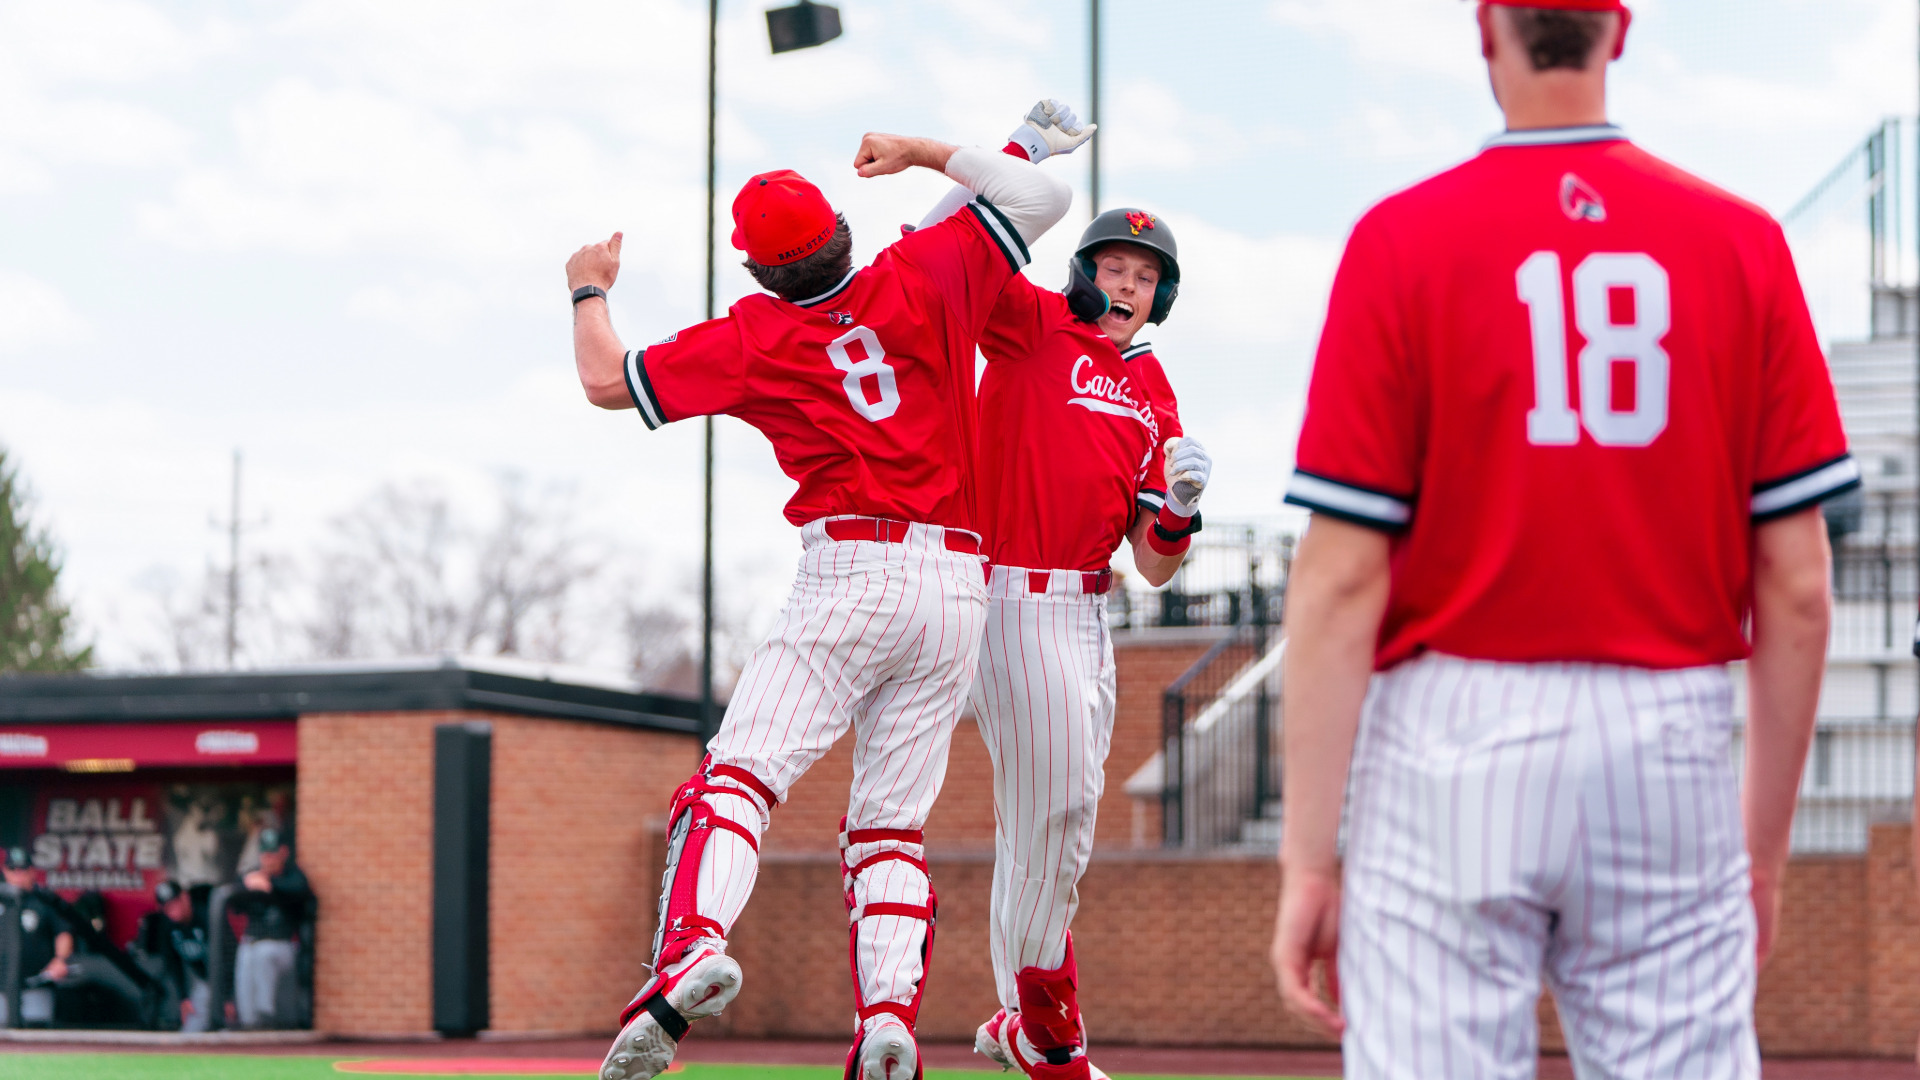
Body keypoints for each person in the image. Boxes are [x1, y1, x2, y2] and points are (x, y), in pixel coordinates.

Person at [1269, 2, 1858, 1077]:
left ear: (1487, 31)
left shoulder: (1403, 237)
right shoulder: (1742, 240)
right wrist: (1759, 856)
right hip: (1664, 730)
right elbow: (1800, 588)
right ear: (1616, 33)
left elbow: (1341, 582)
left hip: (1451, 728)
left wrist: (1310, 858)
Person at [567, 124, 1073, 1080]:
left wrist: (587, 287)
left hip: (849, 572)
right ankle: (886, 1018)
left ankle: (691, 952)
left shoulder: (756, 334)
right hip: (959, 585)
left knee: (736, 781)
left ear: (757, 272)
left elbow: (605, 380)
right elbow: (1025, 205)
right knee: (888, 826)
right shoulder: (921, 273)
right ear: (846, 232)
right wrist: (940, 150)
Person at [916, 102, 1209, 1080]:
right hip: (1003, 592)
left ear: (1160, 295)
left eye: (1145, 275)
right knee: (1055, 823)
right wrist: (1019, 155)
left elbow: (1156, 562)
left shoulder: (1156, 394)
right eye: (1114, 267)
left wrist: (1178, 514)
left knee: (1054, 821)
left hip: (1088, 612)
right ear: (1086, 273)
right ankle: (1051, 1036)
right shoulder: (1036, 320)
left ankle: (1019, 1023)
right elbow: (936, 253)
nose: (1127, 282)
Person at [2, 847, 147, 1026]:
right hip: (2, 987)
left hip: (36, 985)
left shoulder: (44, 900)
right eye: (12, 870)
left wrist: (60, 959)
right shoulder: (3, 902)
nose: (18, 876)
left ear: (32, 871)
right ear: (4, 871)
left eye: (22, 870)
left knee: (35, 1037)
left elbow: (63, 933)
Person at [226, 828, 314, 1029]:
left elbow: (300, 890)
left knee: (263, 954)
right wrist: (250, 885)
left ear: (284, 852)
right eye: (264, 853)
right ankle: (249, 1020)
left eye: (273, 853)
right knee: (248, 954)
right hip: (252, 944)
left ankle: (265, 1016)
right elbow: (234, 897)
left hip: (283, 945)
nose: (268, 858)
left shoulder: (293, 874)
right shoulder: (253, 876)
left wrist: (270, 885)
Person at [131, 879, 211, 1032]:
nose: (173, 910)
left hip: (232, 979)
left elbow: (227, 956)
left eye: (175, 903)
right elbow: (173, 964)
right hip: (204, 981)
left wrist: (227, 997)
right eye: (167, 907)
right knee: (191, 1031)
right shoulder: (168, 927)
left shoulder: (205, 916)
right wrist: (184, 998)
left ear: (185, 898)